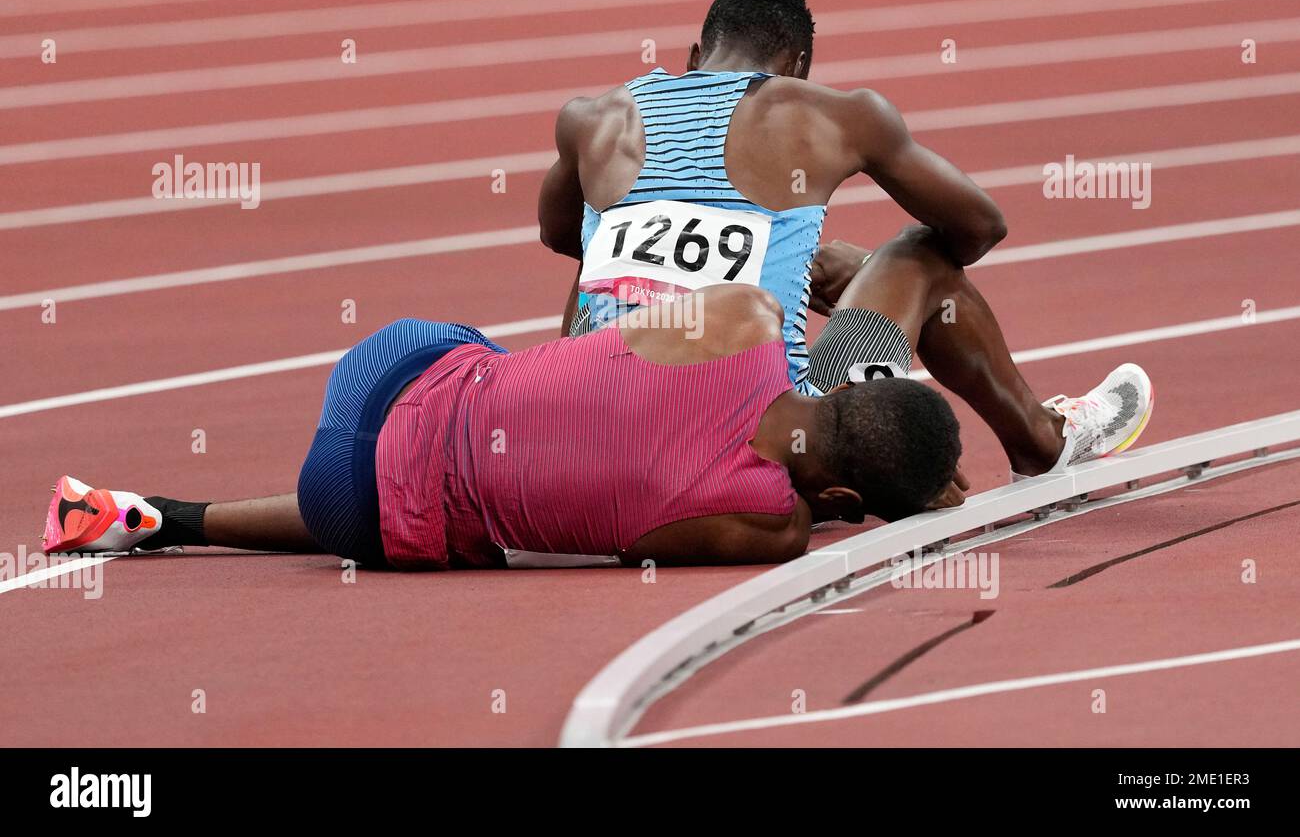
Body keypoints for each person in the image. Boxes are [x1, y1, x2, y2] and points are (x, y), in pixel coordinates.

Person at [537, 0, 1151, 480]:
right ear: (798, 67)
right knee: (920, 252)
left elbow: (558, 235)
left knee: (598, 257)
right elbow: (979, 228)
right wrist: (843, 272)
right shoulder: (837, 114)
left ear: (694, 56)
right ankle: (1043, 440)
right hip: (769, 437)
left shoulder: (595, 117)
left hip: (601, 432)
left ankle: (586, 426)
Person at [43, 283, 963, 570]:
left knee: (466, 418)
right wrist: (859, 509)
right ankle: (160, 516)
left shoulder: (752, 313)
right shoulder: (775, 525)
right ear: (840, 494)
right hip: (347, 502)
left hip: (395, 358)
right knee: (446, 513)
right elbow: (643, 542)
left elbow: (603, 332)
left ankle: (161, 516)